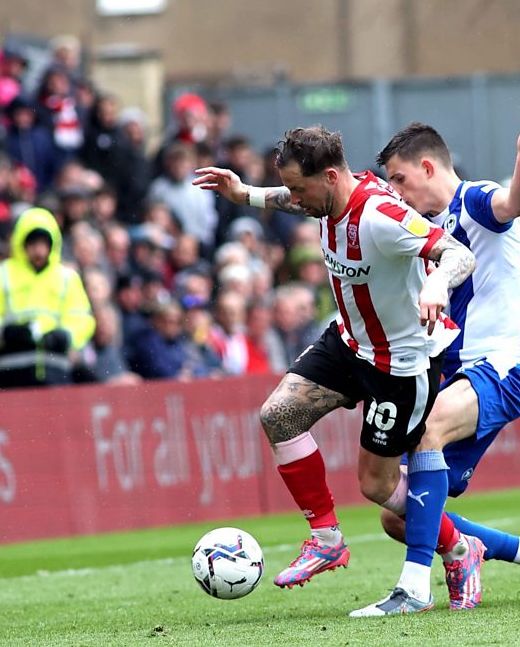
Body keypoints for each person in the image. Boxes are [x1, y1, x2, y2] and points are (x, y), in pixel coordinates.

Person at [193, 126, 475, 616]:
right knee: (279, 415)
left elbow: (458, 253)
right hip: (349, 343)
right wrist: (246, 194)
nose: (297, 200)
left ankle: (459, 547)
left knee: (377, 487)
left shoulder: (381, 215)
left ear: (329, 176)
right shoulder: (323, 196)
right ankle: (326, 537)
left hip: (400, 364)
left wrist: (438, 287)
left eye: (302, 189)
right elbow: (288, 197)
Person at [371, 121, 520, 608]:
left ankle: (414, 589)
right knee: (399, 511)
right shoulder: (430, 230)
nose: (394, 190)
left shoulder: (475, 199)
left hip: (504, 364)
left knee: (428, 429)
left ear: (428, 167)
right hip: (460, 373)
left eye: (398, 178)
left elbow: (513, 205)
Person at [0, 208, 95, 388]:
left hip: (55, 369)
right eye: (33, 244)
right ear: (22, 244)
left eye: (44, 244)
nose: (39, 251)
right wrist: (4, 332)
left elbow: (82, 318)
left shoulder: (67, 278)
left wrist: (65, 336)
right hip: (10, 370)